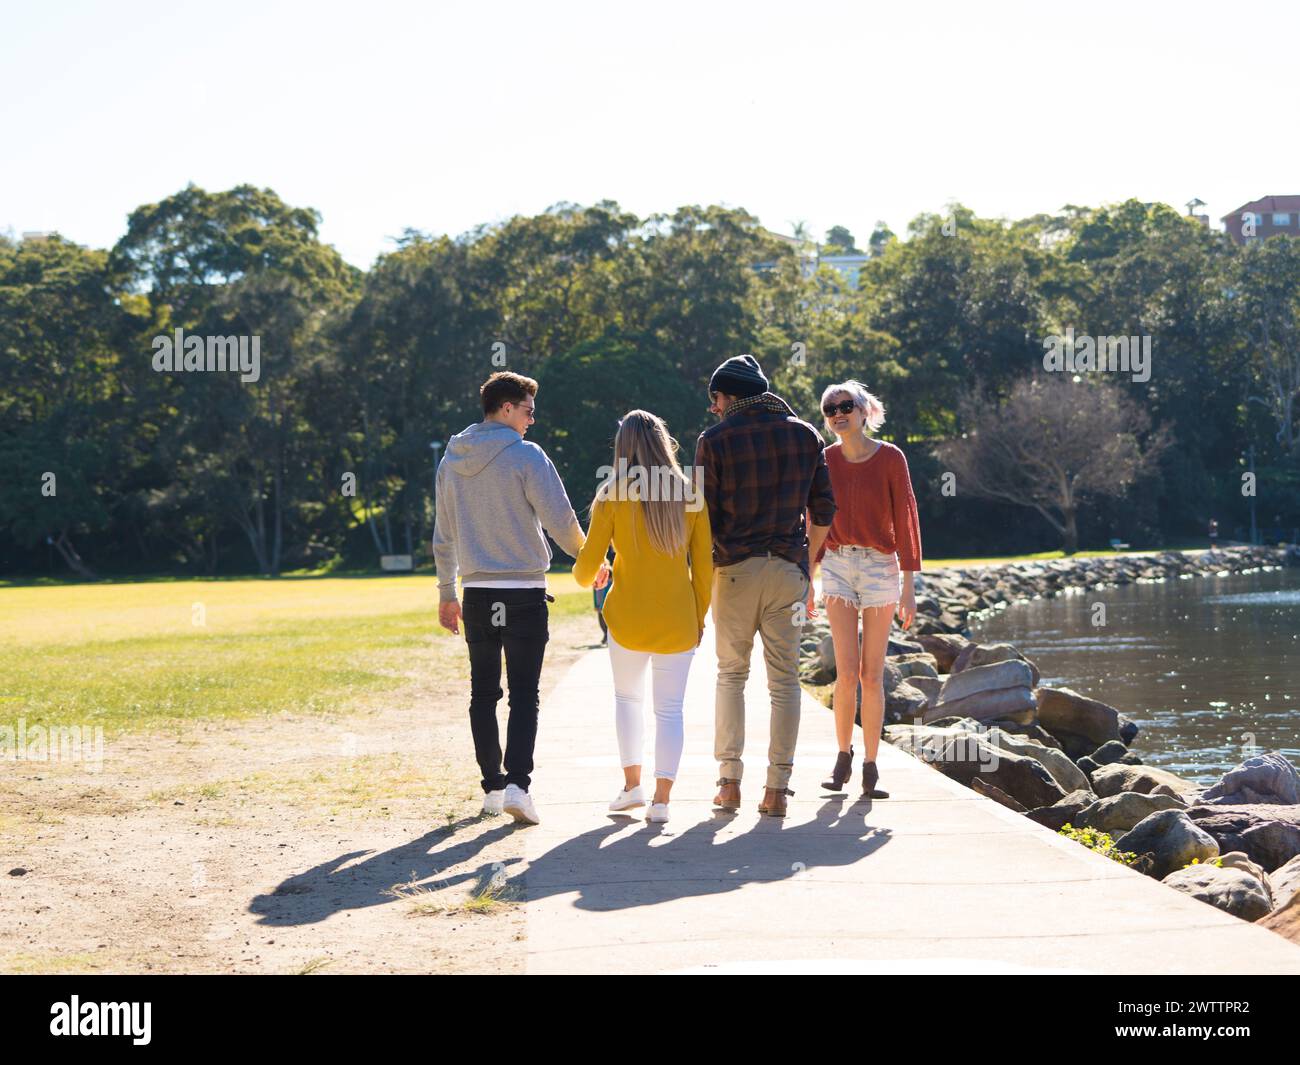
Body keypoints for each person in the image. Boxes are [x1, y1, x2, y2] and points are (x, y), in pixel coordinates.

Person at [433, 371, 587, 826]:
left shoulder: (449, 461)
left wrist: (446, 592)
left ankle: (492, 791)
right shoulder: (526, 456)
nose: (531, 421)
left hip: (477, 593)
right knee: (524, 694)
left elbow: (444, 537)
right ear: (505, 409)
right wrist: (588, 558)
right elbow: (560, 519)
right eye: (527, 411)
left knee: (483, 694)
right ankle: (519, 785)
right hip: (524, 592)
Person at [695, 354, 836, 818]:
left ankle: (729, 783)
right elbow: (824, 511)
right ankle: (777, 790)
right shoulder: (806, 435)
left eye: (715, 398)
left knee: (731, 676)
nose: (713, 408)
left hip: (734, 571)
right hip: (788, 572)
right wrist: (807, 565)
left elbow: (703, 519)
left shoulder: (713, 441)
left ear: (729, 396)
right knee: (785, 683)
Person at [573, 411, 712, 824]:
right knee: (670, 711)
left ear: (623, 448)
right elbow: (705, 571)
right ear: (663, 443)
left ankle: (631, 787)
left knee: (627, 700)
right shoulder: (691, 493)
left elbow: (584, 573)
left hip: (627, 621)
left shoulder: (611, 493)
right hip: (678, 620)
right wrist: (698, 619)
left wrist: (605, 569)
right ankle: (662, 801)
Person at [811, 380, 920, 800]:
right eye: (829, 409)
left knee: (872, 675)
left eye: (845, 406)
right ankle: (842, 756)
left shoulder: (891, 458)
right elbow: (814, 520)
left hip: (880, 568)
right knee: (845, 673)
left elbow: (906, 518)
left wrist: (909, 585)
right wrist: (809, 575)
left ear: (862, 411)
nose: (838, 413)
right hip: (837, 566)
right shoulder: (823, 460)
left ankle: (871, 766)